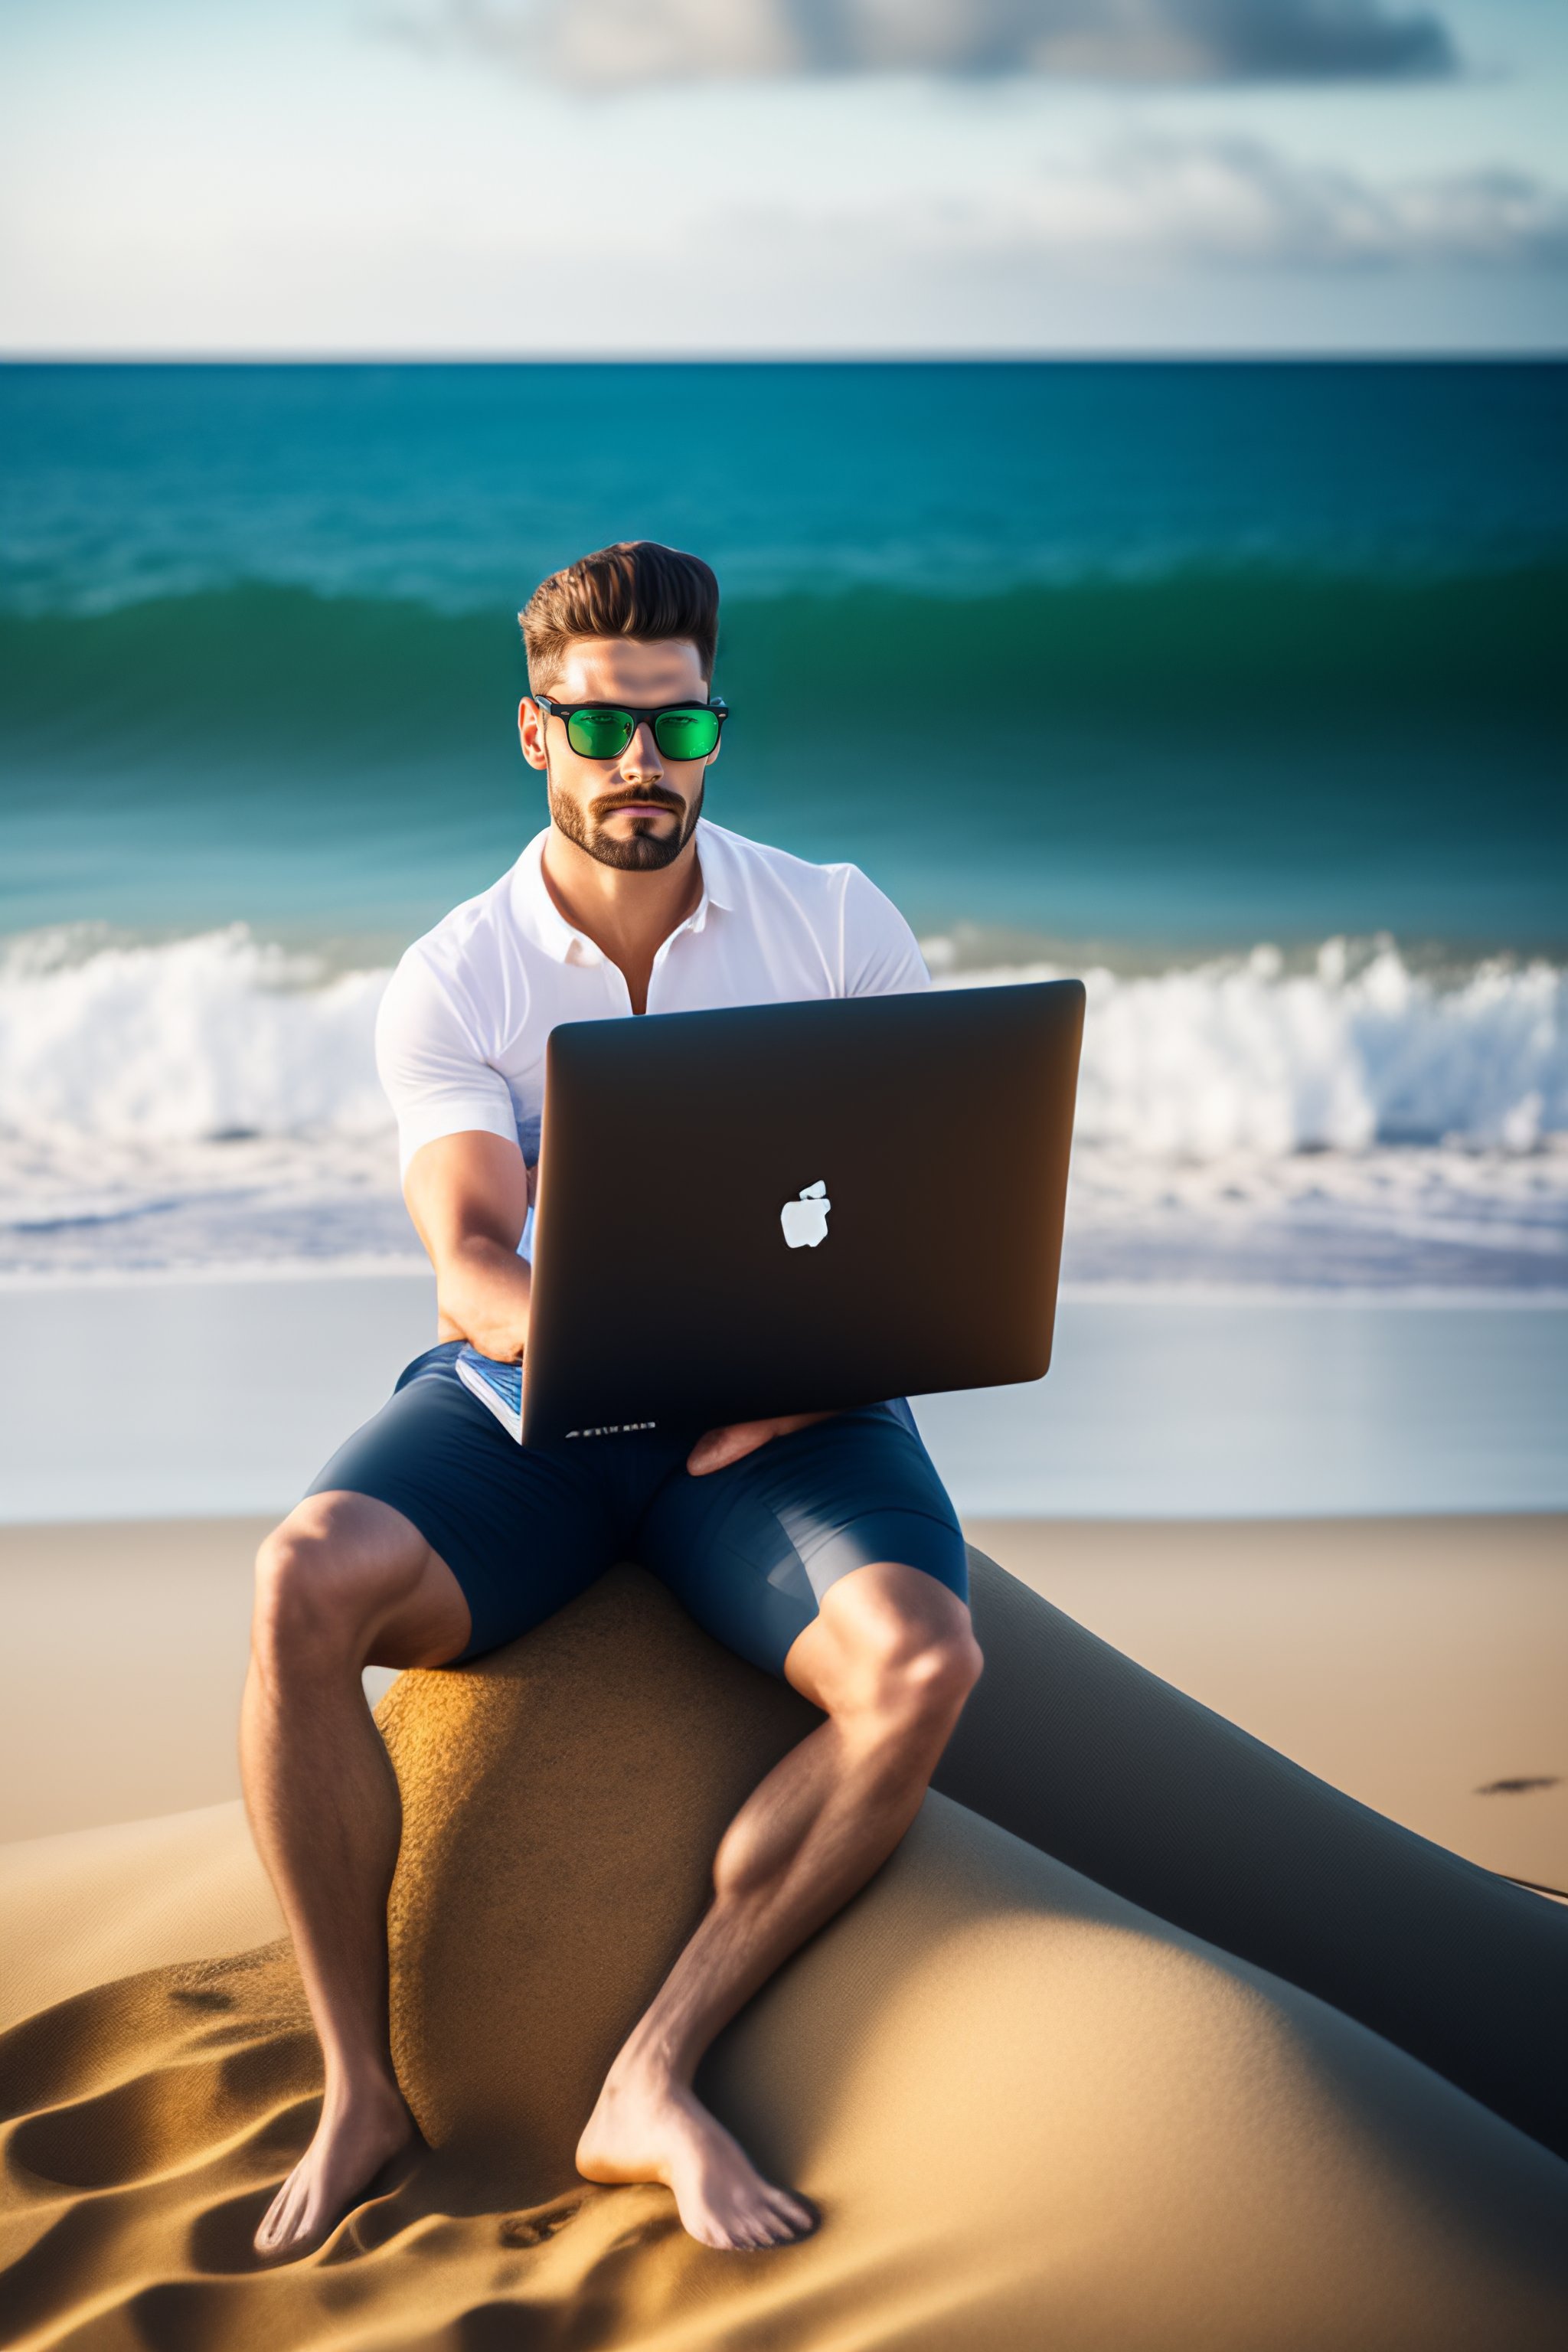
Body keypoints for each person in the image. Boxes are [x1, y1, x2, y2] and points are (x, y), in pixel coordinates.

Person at [244, 541, 982, 2262]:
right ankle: (359, 2084)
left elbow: (928, 1212)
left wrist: (794, 1372)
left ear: (715, 726)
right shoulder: (460, 973)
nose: (641, 765)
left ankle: (653, 2074)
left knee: (923, 1667)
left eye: (677, 724)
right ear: (534, 735)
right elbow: (474, 1265)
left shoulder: (833, 920)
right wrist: (650, 1366)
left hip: (793, 1410)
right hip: (541, 1398)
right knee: (301, 1577)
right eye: (601, 730)